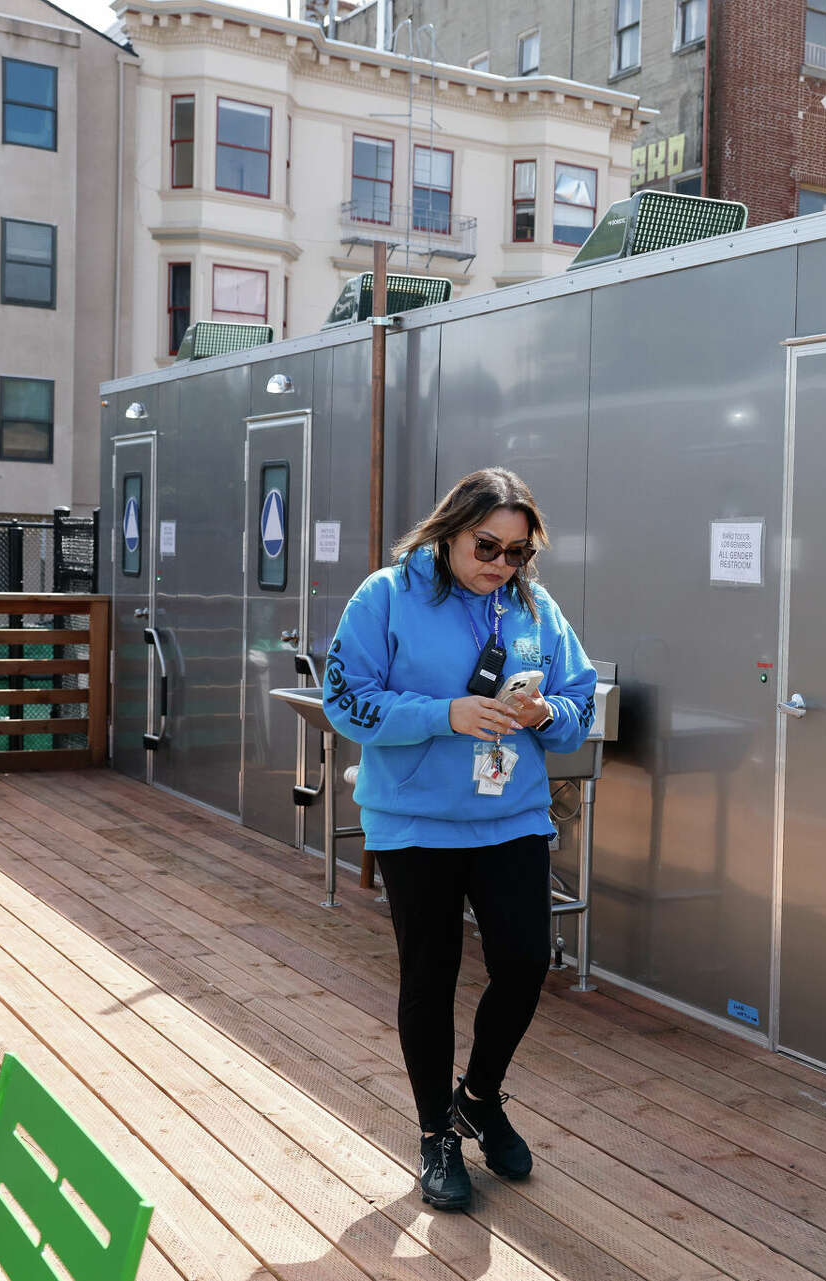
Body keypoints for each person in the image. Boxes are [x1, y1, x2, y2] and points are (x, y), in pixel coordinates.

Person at [323, 467, 596, 1211]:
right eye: (487, 546)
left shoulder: (533, 608)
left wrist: (546, 716)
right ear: (449, 531)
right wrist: (447, 714)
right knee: (431, 973)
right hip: (414, 823)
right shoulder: (383, 596)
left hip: (511, 815)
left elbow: (581, 697)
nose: (501, 565)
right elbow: (346, 701)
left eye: (517, 552)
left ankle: (478, 1095)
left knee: (525, 959)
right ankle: (436, 1132)